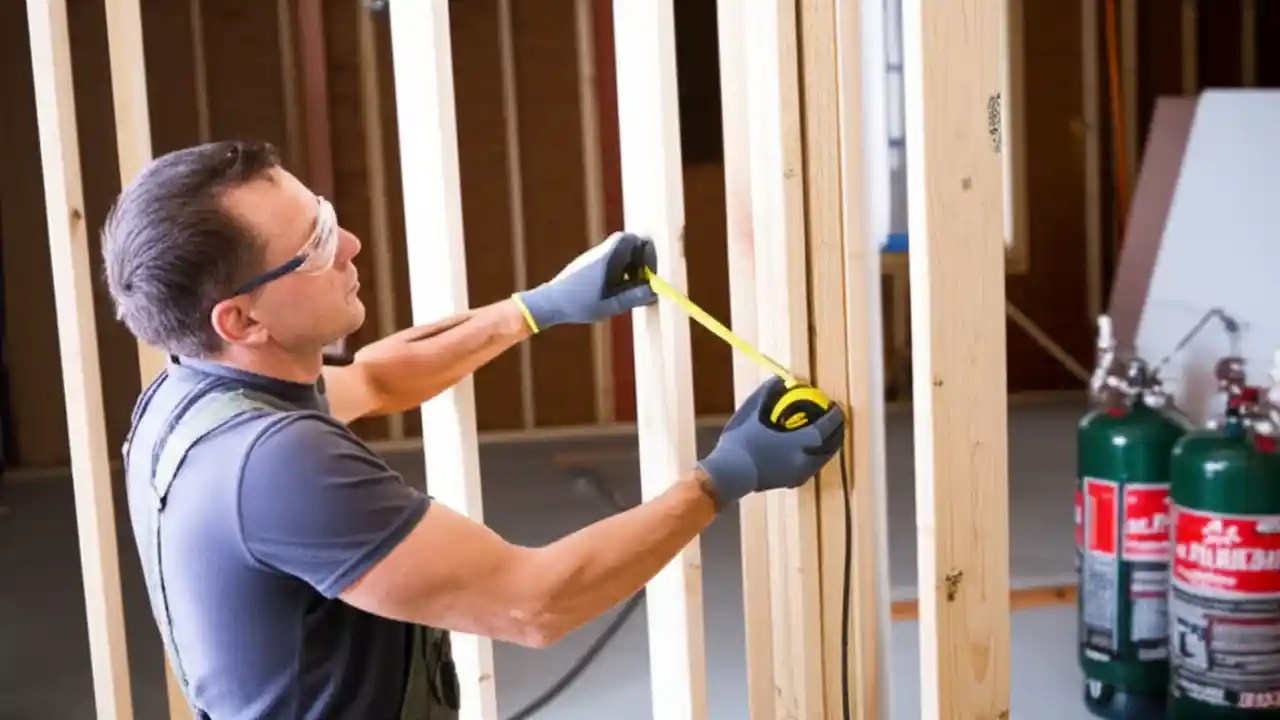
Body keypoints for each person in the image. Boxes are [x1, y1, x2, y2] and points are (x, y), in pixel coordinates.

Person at [102, 139, 845, 719]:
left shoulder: (191, 394)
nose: (351, 244)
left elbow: (378, 379)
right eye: (317, 246)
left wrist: (536, 308)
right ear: (240, 319)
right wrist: (725, 476)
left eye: (324, 216)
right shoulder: (273, 467)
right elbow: (535, 602)